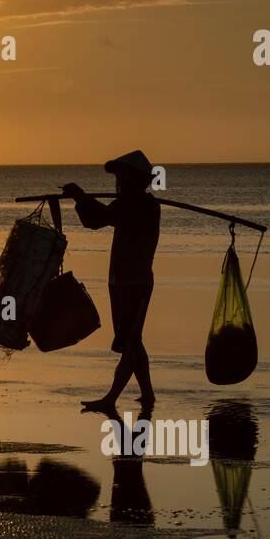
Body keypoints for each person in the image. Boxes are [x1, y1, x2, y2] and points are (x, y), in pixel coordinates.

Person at [63, 150, 159, 410]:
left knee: (130, 342)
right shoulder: (131, 203)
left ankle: (111, 399)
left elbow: (96, 220)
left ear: (136, 180)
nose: (118, 183)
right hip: (121, 281)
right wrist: (81, 198)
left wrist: (81, 196)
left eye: (123, 177)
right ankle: (147, 394)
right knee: (133, 340)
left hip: (134, 284)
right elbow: (97, 218)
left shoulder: (142, 205)